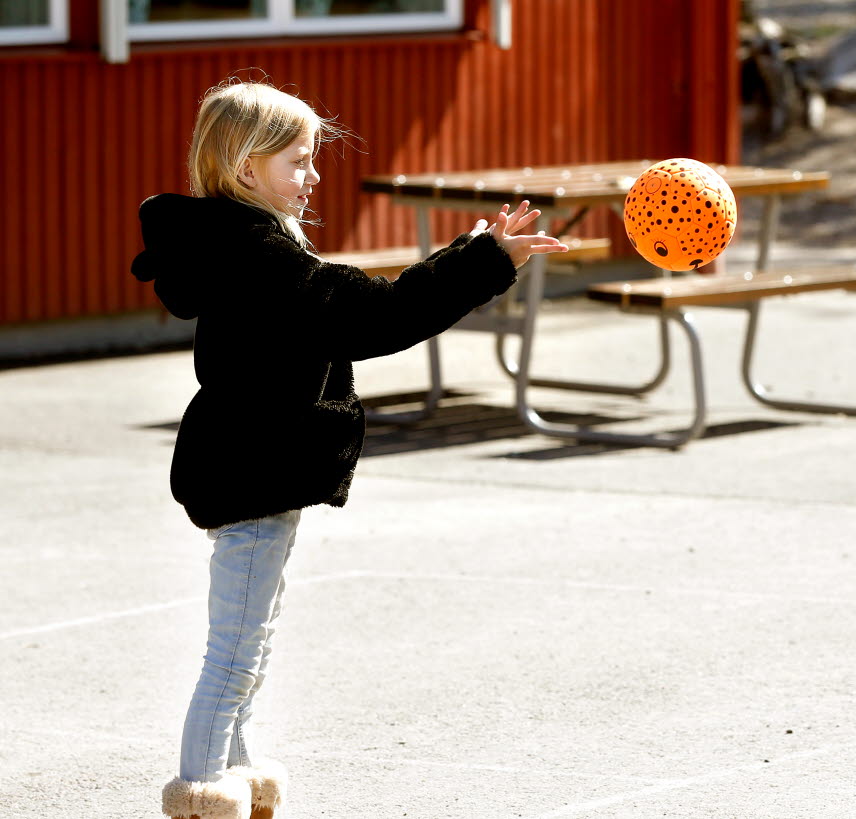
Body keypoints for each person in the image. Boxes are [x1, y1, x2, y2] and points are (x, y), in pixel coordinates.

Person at [132, 80, 567, 819]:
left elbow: (362, 311)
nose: (314, 175)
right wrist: (483, 259)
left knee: (251, 638)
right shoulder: (259, 256)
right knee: (234, 648)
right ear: (244, 170)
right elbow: (376, 316)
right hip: (250, 472)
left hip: (255, 467)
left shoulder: (245, 245)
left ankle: (235, 765)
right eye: (298, 161)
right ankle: (202, 788)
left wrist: (474, 253)